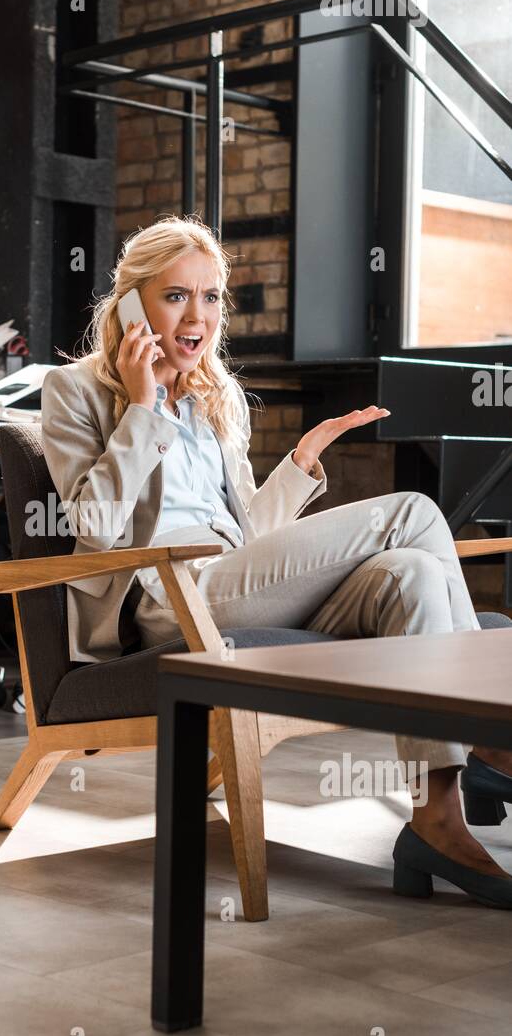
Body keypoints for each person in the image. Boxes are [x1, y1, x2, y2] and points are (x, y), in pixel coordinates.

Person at [41, 215, 512, 908]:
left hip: (232, 582)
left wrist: (299, 466)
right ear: (132, 304)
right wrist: (142, 409)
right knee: (411, 512)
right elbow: (93, 525)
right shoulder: (75, 390)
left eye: (210, 297)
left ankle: (434, 819)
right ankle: (490, 737)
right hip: (167, 598)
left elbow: (248, 534)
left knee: (410, 574)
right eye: (175, 296)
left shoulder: (215, 395)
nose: (196, 315)